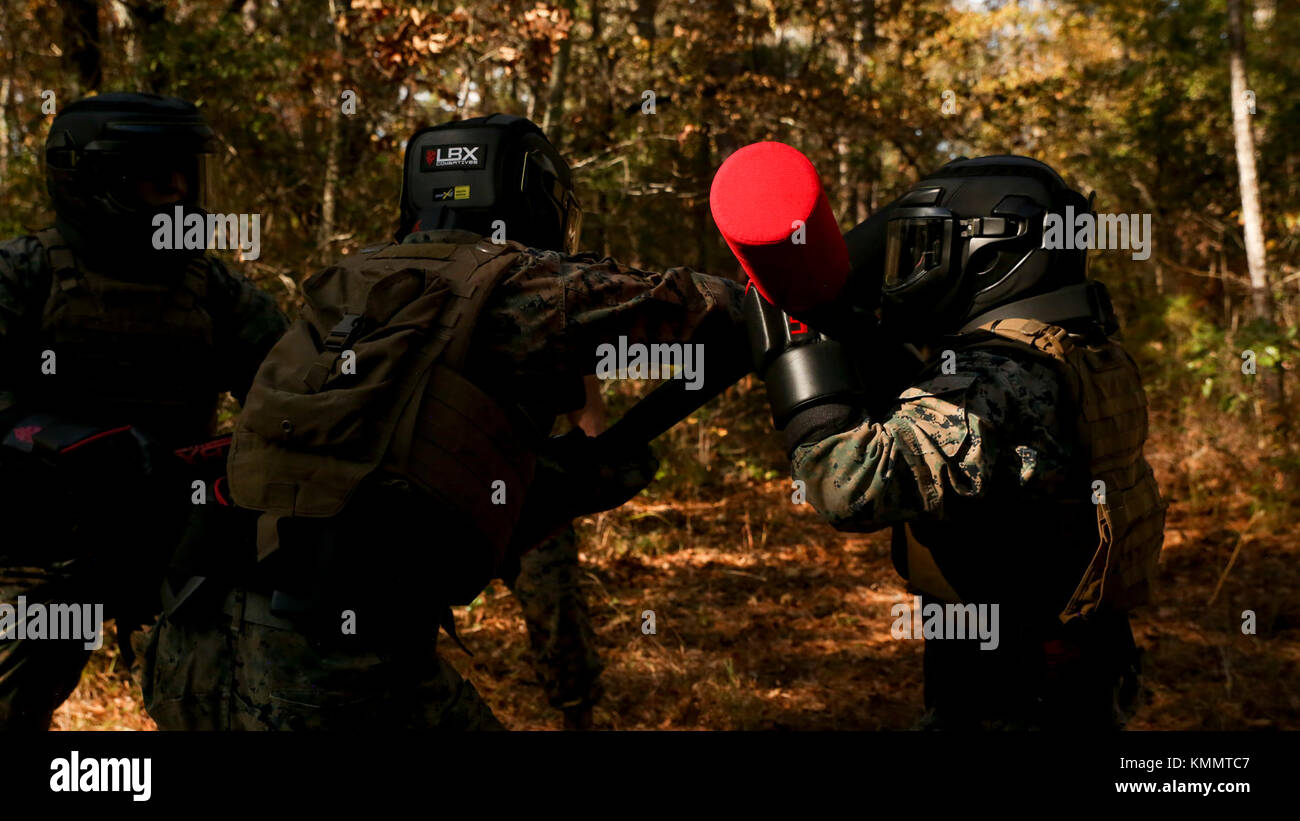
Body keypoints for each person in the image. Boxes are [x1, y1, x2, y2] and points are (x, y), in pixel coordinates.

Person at [140, 113, 748, 730]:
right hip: (323, 667)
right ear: (532, 196)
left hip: (190, 647)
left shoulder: (354, 278)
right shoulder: (511, 282)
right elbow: (705, 309)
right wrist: (791, 288)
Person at [747, 155, 1165, 729]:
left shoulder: (1001, 372)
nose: (909, 269)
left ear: (993, 253)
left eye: (926, 248)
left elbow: (850, 485)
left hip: (1014, 683)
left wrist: (795, 358)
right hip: (1077, 656)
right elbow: (958, 428)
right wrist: (859, 335)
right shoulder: (1072, 348)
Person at [0, 92, 288, 730]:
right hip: (43, 542)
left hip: (176, 538)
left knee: (254, 702)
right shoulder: (22, 272)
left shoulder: (211, 288)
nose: (178, 188)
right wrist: (66, 443)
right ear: (93, 179)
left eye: (184, 172)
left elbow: (294, 394)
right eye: (156, 174)